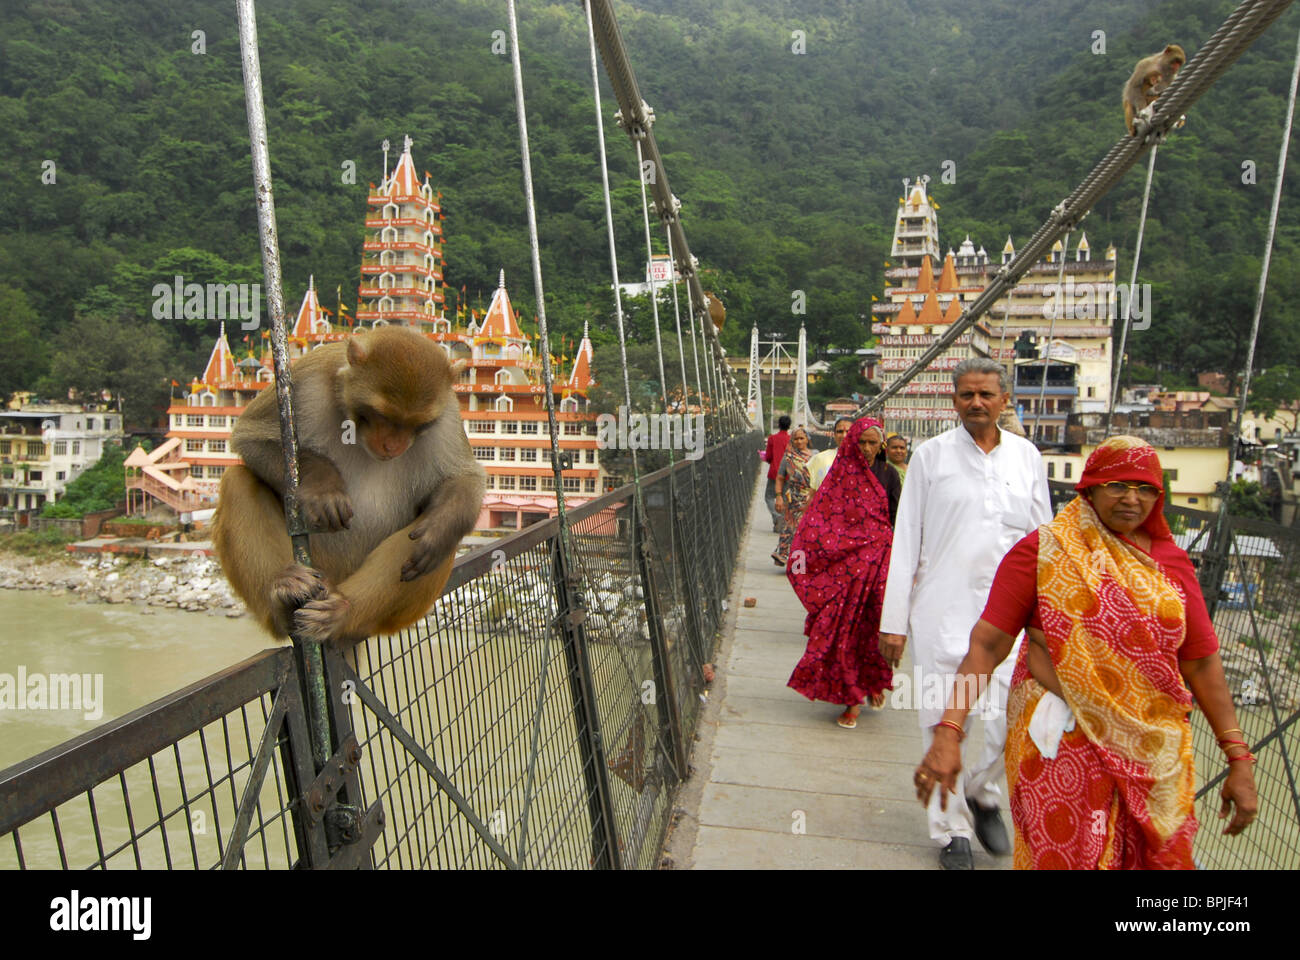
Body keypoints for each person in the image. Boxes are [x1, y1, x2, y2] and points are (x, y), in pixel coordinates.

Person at [915, 436, 1259, 868]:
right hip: (1060, 739)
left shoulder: (1172, 565)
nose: (1132, 499)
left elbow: (1202, 663)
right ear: (1090, 489)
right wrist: (949, 732)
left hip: (1155, 749)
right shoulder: (1043, 552)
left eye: (1146, 489)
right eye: (1117, 485)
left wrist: (1239, 759)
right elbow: (986, 646)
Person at [879, 357, 1051, 870]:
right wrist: (894, 620)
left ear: (1004, 401)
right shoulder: (930, 458)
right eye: (966, 395)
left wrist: (1051, 616)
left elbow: (1045, 540)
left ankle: (982, 793)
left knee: (1006, 719)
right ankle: (949, 829)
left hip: (1009, 617)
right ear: (953, 401)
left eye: (986, 394)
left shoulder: (1028, 458)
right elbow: (906, 539)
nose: (976, 403)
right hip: (941, 610)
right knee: (940, 720)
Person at [788, 419, 901, 728]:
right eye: (861, 442)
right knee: (840, 632)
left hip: (877, 564)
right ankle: (852, 698)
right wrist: (806, 550)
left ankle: (872, 684)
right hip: (843, 571)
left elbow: (896, 519)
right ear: (852, 442)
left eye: (872, 443)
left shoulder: (889, 475)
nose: (866, 448)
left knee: (871, 630)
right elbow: (819, 518)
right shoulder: (839, 474)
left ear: (881, 445)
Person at [772, 426, 812, 566]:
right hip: (793, 498)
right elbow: (780, 478)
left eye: (802, 438)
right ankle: (785, 556)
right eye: (796, 439)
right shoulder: (788, 457)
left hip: (810, 498)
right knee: (790, 528)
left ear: (807, 439)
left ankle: (798, 561)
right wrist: (778, 496)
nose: (799, 441)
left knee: (804, 530)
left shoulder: (815, 456)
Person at [762, 415, 792, 533]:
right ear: (789, 426)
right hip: (788, 473)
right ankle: (783, 521)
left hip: (774, 472)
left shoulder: (772, 438)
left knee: (769, 497)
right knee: (785, 498)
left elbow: (768, 456)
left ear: (778, 425)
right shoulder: (791, 439)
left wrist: (771, 461)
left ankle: (776, 517)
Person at [808, 418, 853, 491]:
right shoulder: (820, 458)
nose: (844, 435)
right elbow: (812, 493)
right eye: (840, 432)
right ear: (834, 435)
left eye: (848, 432)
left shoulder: (866, 460)